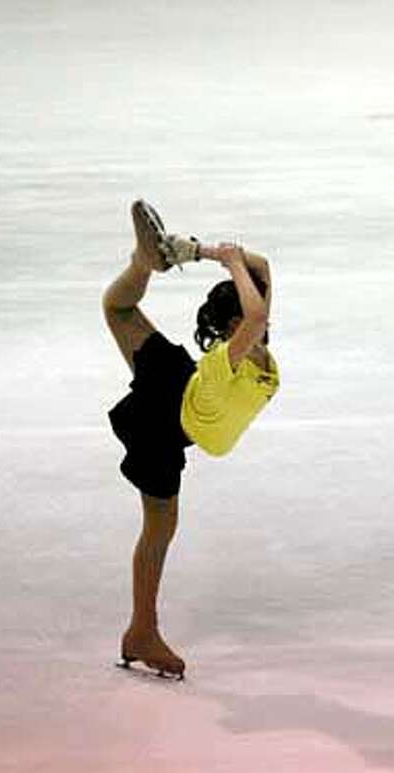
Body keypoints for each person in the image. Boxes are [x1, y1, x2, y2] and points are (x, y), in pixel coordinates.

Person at [102, 200, 279, 679]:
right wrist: (230, 263)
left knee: (120, 309)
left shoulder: (253, 347)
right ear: (232, 328)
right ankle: (142, 630)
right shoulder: (231, 358)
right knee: (160, 524)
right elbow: (257, 314)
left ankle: (146, 263)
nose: (260, 317)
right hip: (162, 419)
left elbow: (261, 273)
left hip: (178, 385)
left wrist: (200, 252)